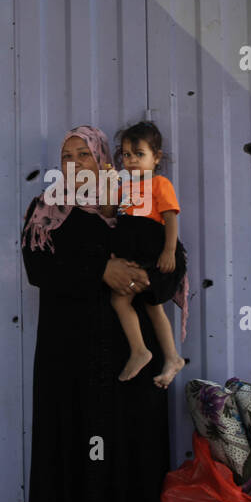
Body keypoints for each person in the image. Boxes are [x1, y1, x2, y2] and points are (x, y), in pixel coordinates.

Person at [19, 125, 185, 502]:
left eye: (84, 154)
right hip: (67, 356)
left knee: (132, 452)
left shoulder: (134, 201)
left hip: (131, 359)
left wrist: (144, 281)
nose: (75, 164)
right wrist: (101, 270)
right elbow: (38, 270)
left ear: (102, 159)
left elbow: (172, 268)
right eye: (66, 156)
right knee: (69, 447)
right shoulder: (48, 209)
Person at [109, 121, 188, 388]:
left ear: (157, 157)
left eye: (139, 154)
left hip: (155, 256)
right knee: (149, 306)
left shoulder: (159, 183)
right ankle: (170, 357)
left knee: (124, 301)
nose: (131, 161)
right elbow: (115, 220)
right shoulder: (122, 187)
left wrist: (168, 251)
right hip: (135, 256)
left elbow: (170, 219)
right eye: (126, 155)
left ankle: (144, 351)